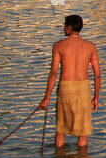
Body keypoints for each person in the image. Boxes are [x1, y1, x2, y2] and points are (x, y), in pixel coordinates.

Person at [39, 15, 100, 149]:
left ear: (69, 27)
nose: (63, 28)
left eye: (65, 25)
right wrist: (96, 97)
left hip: (65, 87)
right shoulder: (90, 47)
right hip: (83, 88)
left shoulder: (59, 45)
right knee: (83, 132)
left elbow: (54, 73)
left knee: (61, 128)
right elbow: (97, 75)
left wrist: (46, 98)